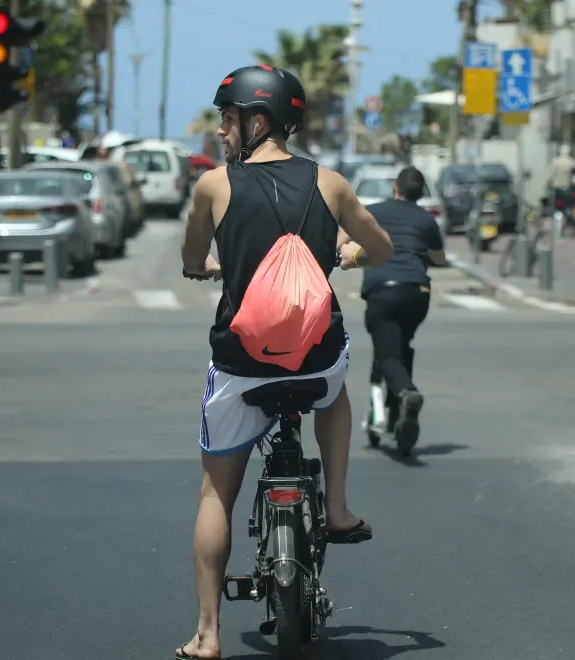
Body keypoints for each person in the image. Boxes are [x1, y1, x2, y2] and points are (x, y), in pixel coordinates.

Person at [177, 64, 392, 659]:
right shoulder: (331, 183)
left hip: (242, 362)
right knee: (335, 390)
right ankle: (338, 507)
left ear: (258, 120)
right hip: (315, 357)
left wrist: (206, 268)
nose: (221, 130)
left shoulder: (214, 186)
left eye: (228, 118)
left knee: (215, 495)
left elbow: (192, 258)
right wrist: (347, 255)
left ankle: (208, 634)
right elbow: (381, 248)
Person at [360, 166, 447, 455]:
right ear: (420, 194)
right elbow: (439, 258)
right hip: (416, 293)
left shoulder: (373, 212)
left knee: (387, 356)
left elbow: (343, 239)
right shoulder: (426, 219)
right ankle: (400, 418)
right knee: (400, 348)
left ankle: (406, 394)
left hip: (383, 292)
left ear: (395, 188)